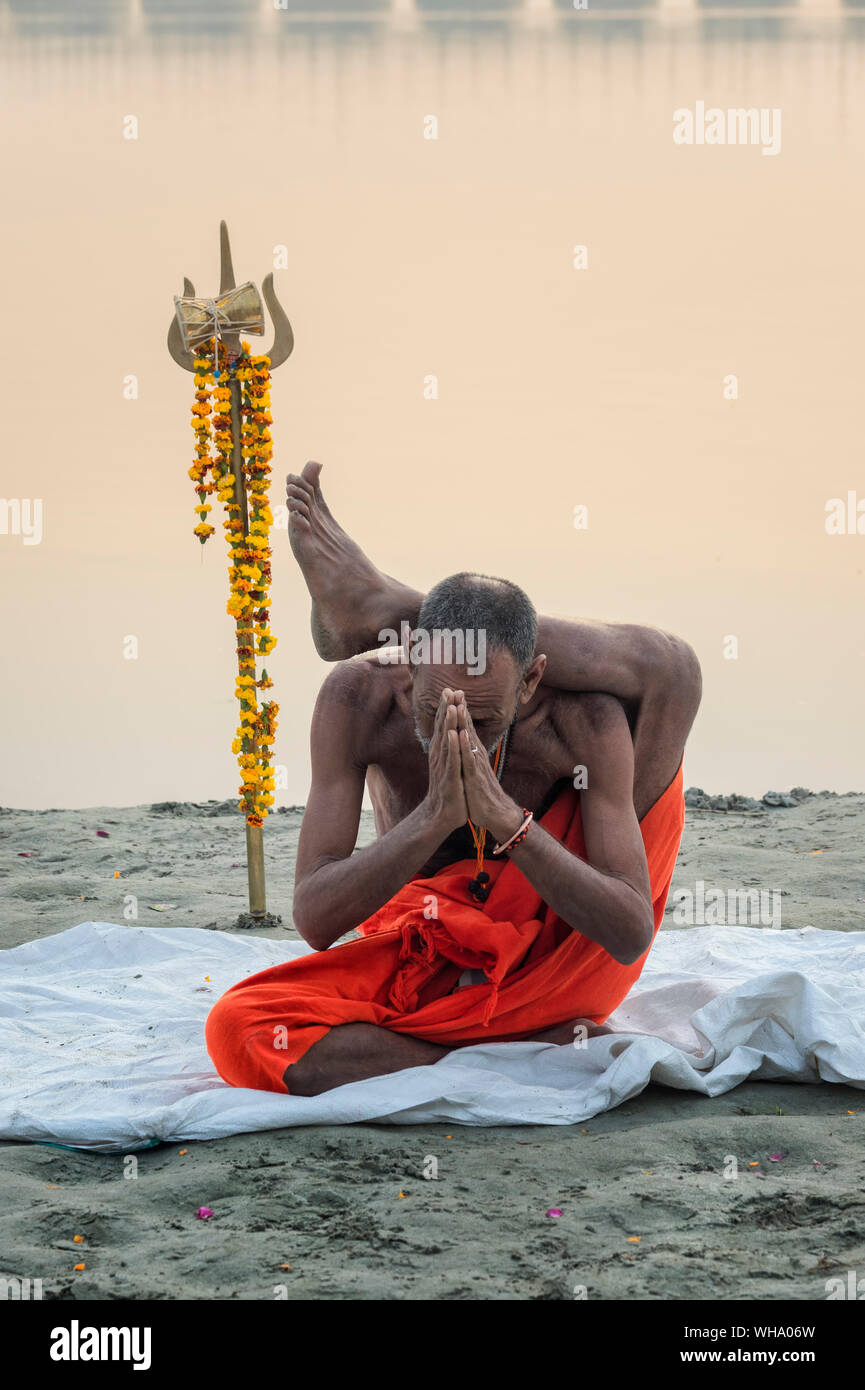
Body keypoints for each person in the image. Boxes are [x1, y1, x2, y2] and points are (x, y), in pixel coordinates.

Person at [205, 463, 701, 1096]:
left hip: (556, 967)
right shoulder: (360, 704)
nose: (457, 729)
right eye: (433, 708)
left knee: (675, 673)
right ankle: (506, 1051)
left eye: (487, 717)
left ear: (530, 682)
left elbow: (629, 933)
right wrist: (432, 819)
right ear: (410, 657)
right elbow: (316, 917)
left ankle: (390, 602)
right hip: (428, 948)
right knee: (240, 1028)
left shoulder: (582, 724)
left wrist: (510, 826)